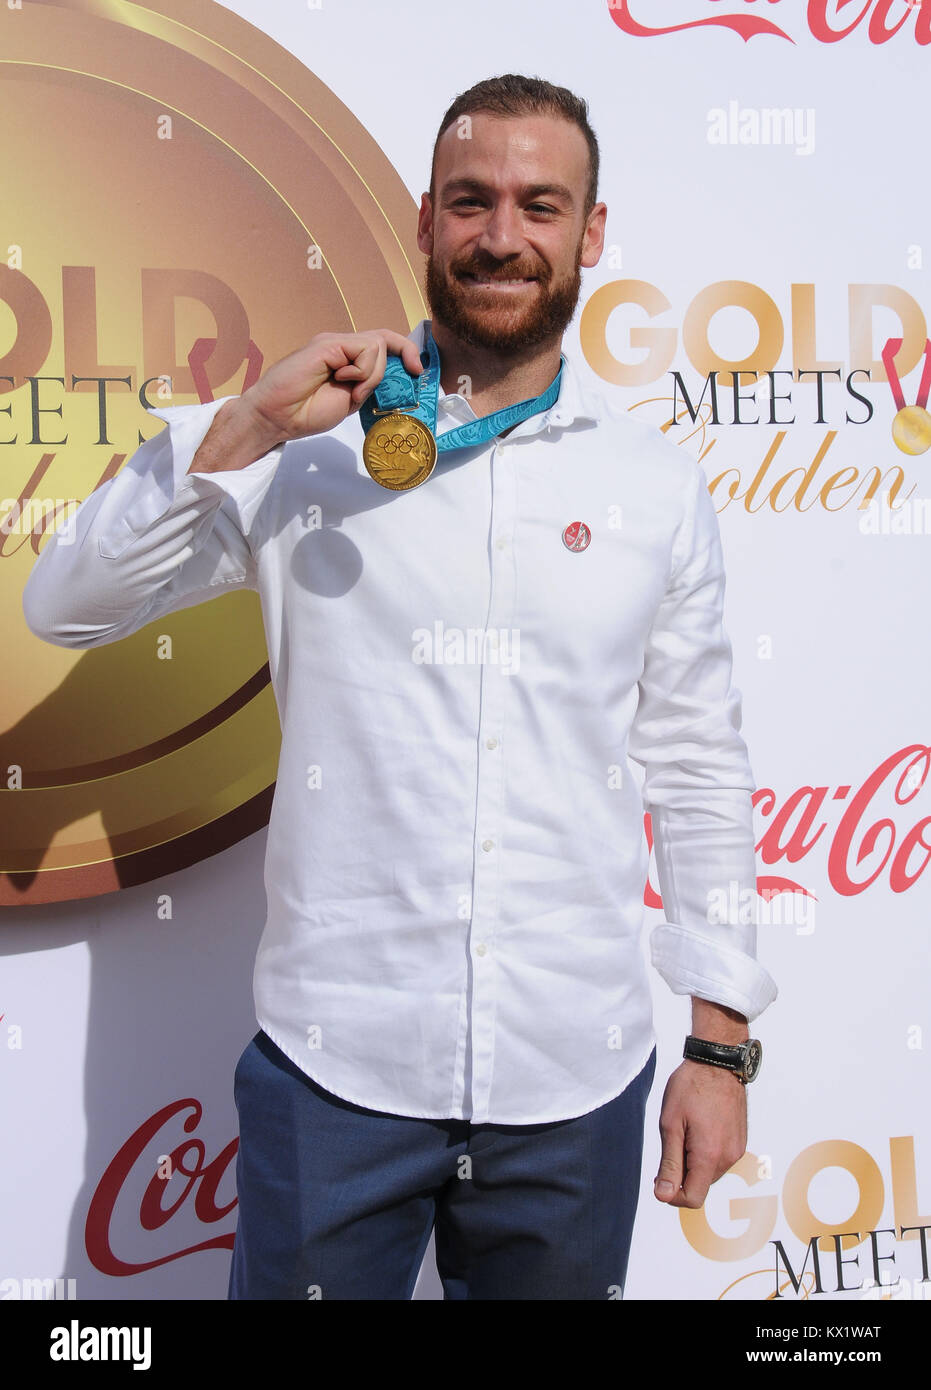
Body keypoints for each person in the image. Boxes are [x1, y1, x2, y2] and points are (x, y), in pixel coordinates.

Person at [23, 74, 776, 1300]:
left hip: (570, 1084)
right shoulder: (305, 449)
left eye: (541, 206)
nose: (501, 237)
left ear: (589, 236)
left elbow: (700, 767)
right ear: (425, 222)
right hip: (336, 1079)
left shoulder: (653, 487)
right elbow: (66, 603)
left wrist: (718, 1048)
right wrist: (244, 431)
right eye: (471, 202)